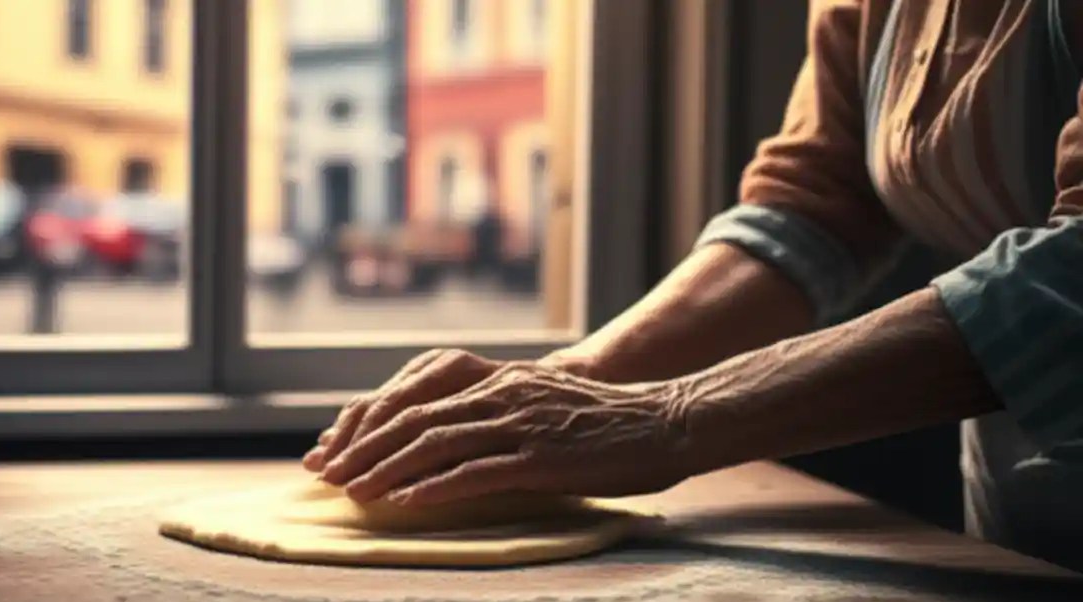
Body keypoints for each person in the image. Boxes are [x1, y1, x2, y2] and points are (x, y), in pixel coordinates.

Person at [305, 0, 1083, 570]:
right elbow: (810, 214)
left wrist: (667, 418)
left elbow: (1069, 273)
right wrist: (566, 382)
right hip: (1020, 522)